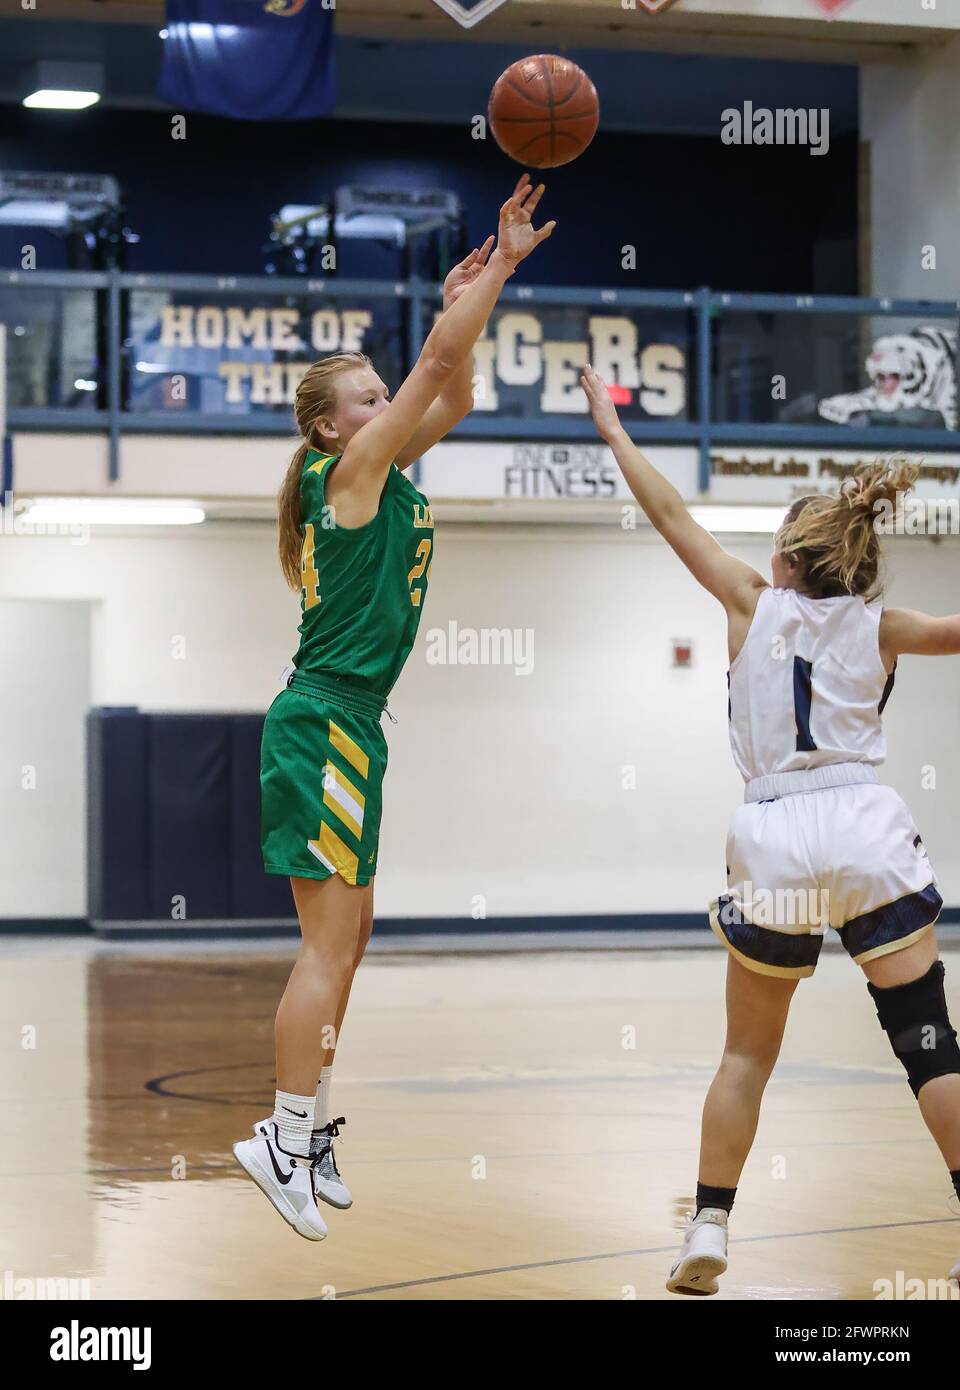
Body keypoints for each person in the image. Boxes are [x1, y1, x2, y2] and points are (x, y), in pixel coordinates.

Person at [581, 363, 960, 1296]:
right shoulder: (883, 624)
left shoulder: (749, 603)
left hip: (774, 833)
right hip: (867, 826)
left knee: (747, 1053)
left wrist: (614, 429)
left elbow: (670, 515)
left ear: (787, 557)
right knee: (926, 1040)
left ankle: (707, 1225)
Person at [232, 175, 555, 1240]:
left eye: (380, 393)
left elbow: (449, 389)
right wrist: (501, 262)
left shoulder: (389, 467)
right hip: (323, 717)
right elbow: (431, 368)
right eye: (364, 397)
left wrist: (467, 293)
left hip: (354, 723)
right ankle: (278, 1137)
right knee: (326, 949)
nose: (385, 404)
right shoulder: (355, 474)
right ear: (331, 431)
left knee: (352, 941)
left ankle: (310, 1128)